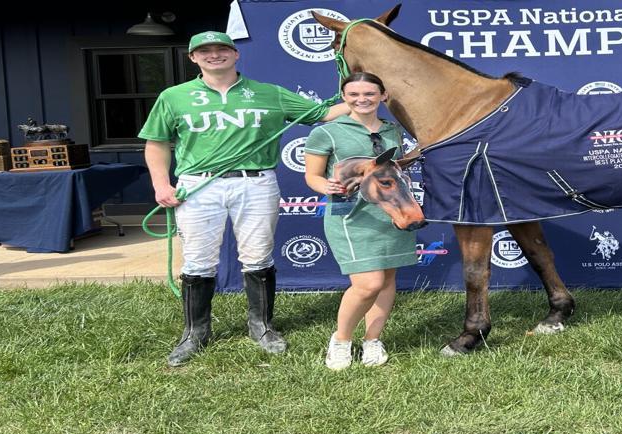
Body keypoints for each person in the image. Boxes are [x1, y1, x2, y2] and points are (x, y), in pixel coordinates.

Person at [140, 30, 351, 366]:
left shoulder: (268, 94)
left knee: (258, 257)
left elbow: (323, 114)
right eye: (204, 51)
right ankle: (195, 332)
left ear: (235, 54)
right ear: (193, 57)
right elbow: (156, 143)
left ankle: (262, 326)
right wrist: (161, 185)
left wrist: (363, 98)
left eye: (221, 49)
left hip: (255, 182)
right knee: (197, 260)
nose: (214, 55)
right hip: (198, 185)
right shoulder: (174, 96)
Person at [302, 73, 419, 370]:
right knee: (369, 284)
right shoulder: (327, 133)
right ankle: (341, 340)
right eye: (354, 94)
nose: (362, 99)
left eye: (369, 93)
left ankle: (372, 339)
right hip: (350, 215)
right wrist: (323, 186)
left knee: (387, 280)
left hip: (391, 214)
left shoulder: (393, 130)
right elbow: (312, 176)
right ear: (344, 97)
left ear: (382, 95)